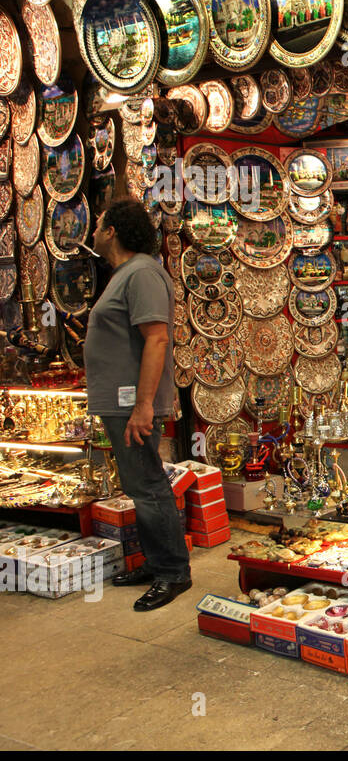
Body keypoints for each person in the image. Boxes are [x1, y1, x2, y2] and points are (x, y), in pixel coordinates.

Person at [86, 200, 192, 611]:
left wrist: (144, 404)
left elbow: (158, 339)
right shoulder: (126, 274)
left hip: (134, 402)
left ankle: (172, 573)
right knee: (139, 485)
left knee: (148, 486)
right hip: (123, 401)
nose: (93, 230)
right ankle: (157, 562)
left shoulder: (143, 272)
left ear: (111, 231)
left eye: (97, 224)